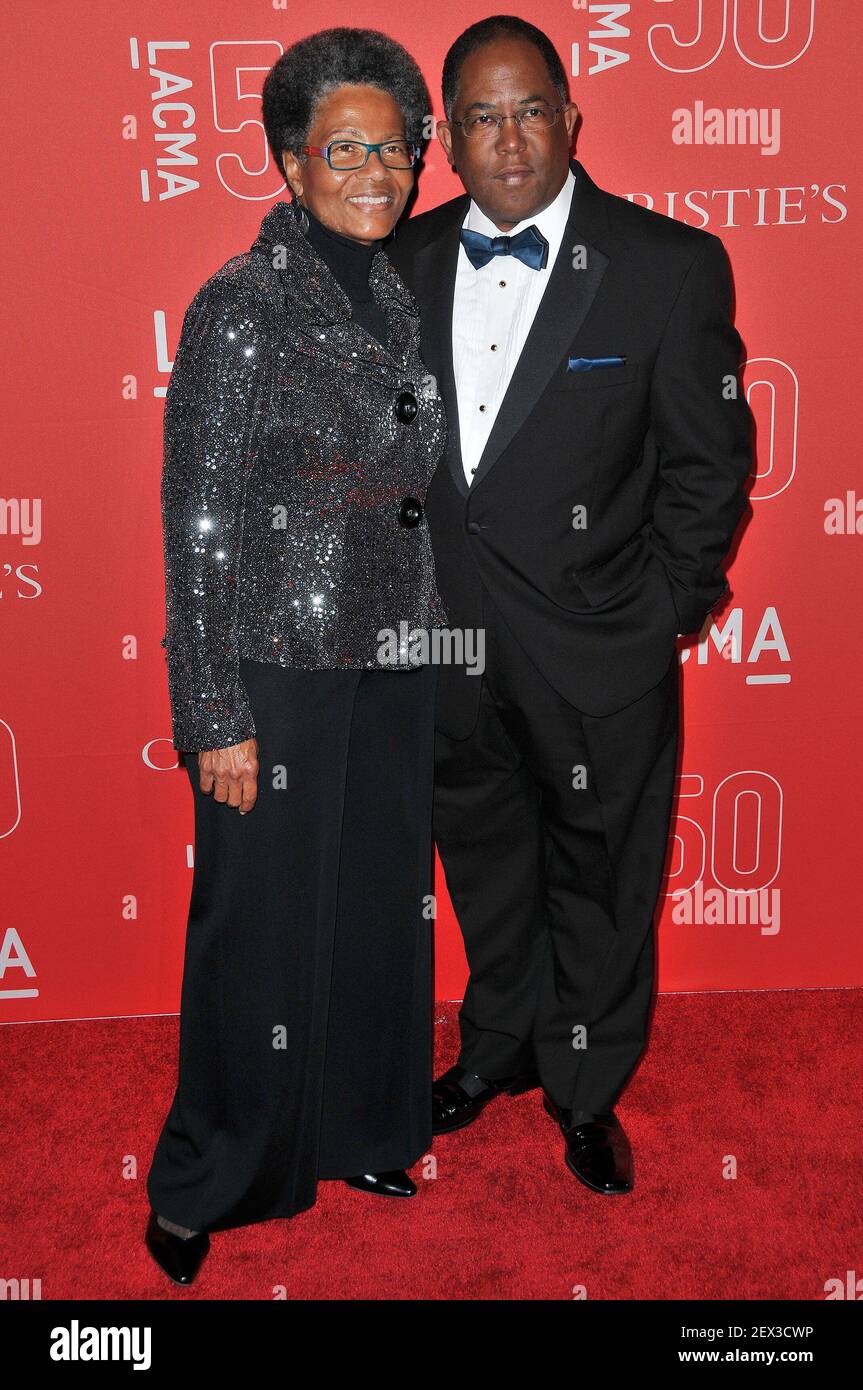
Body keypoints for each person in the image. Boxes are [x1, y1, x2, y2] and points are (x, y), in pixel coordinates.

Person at [385, 15, 753, 1194]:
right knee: (485, 861)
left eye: (529, 110)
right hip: (445, 644)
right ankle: (496, 1045)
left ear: (570, 119)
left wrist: (661, 613)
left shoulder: (664, 266)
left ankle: (584, 1088)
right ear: (448, 141)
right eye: (481, 118)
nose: (508, 141)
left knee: (601, 876)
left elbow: (707, 468)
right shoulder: (398, 262)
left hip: (599, 646)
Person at [146, 27, 446, 1285]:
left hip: (393, 659)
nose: (377, 171)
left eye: (396, 148)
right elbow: (200, 520)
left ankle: (364, 1127)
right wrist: (211, 707)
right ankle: (211, 1172)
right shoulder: (242, 306)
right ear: (289, 163)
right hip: (273, 663)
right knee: (257, 927)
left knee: (378, 912)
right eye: (345, 149)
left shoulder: (397, 292)